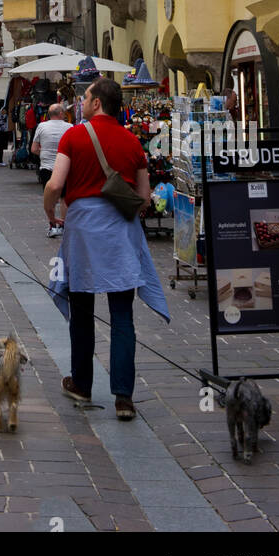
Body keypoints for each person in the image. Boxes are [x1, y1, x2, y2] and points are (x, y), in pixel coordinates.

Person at [43, 77, 170, 421]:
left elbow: (55, 183)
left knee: (82, 310)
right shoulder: (132, 142)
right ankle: (124, 398)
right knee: (122, 315)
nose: (81, 102)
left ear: (97, 102)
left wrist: (50, 211)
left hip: (83, 231)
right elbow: (145, 198)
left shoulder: (74, 135)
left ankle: (82, 383)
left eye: (85, 97)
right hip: (120, 233)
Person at [32, 103, 73, 233]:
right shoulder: (70, 127)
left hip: (46, 167)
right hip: (65, 168)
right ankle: (63, 225)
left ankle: (52, 224)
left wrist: (44, 154)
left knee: (49, 198)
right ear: (61, 114)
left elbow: (34, 149)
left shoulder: (41, 126)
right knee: (64, 198)